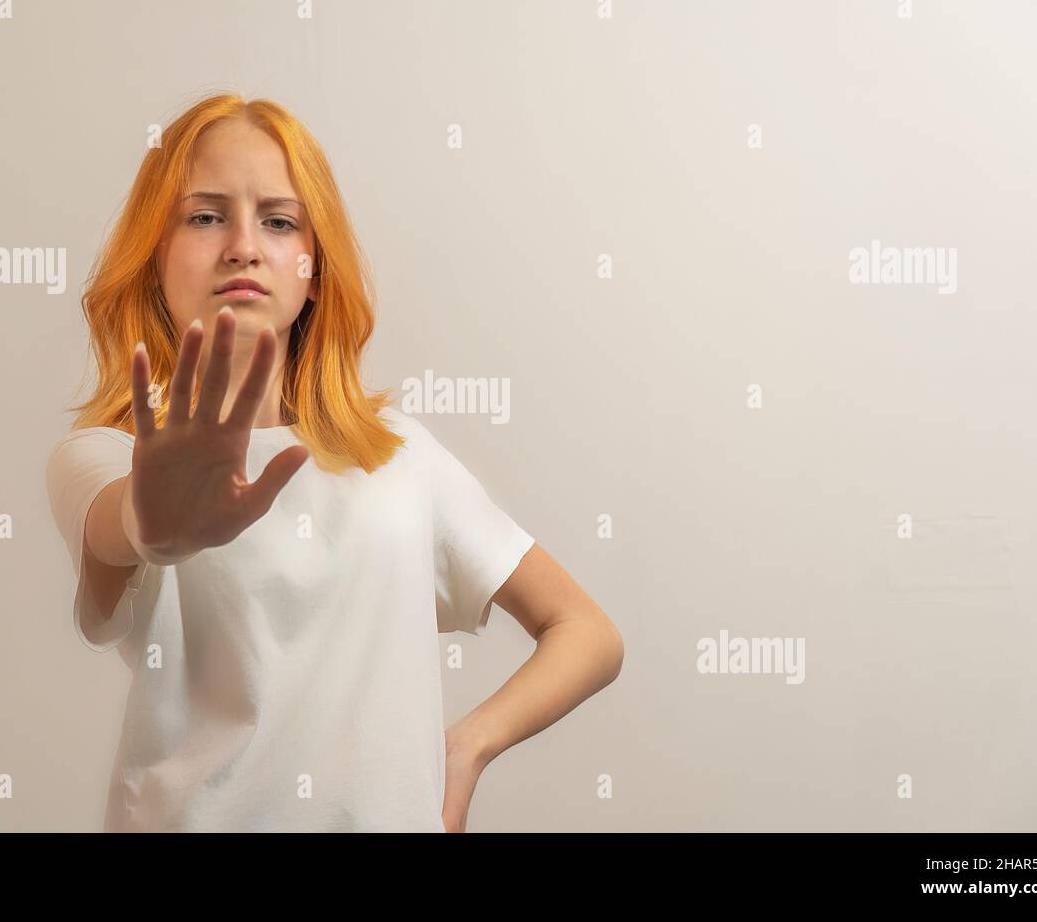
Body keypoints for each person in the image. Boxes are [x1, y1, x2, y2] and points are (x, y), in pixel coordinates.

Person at [45, 93, 623, 832]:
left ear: (313, 269)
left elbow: (587, 631)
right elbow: (110, 544)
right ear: (154, 254)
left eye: (279, 221)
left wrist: (468, 746)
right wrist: (145, 526)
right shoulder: (102, 457)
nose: (244, 247)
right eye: (204, 216)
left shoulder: (400, 460)